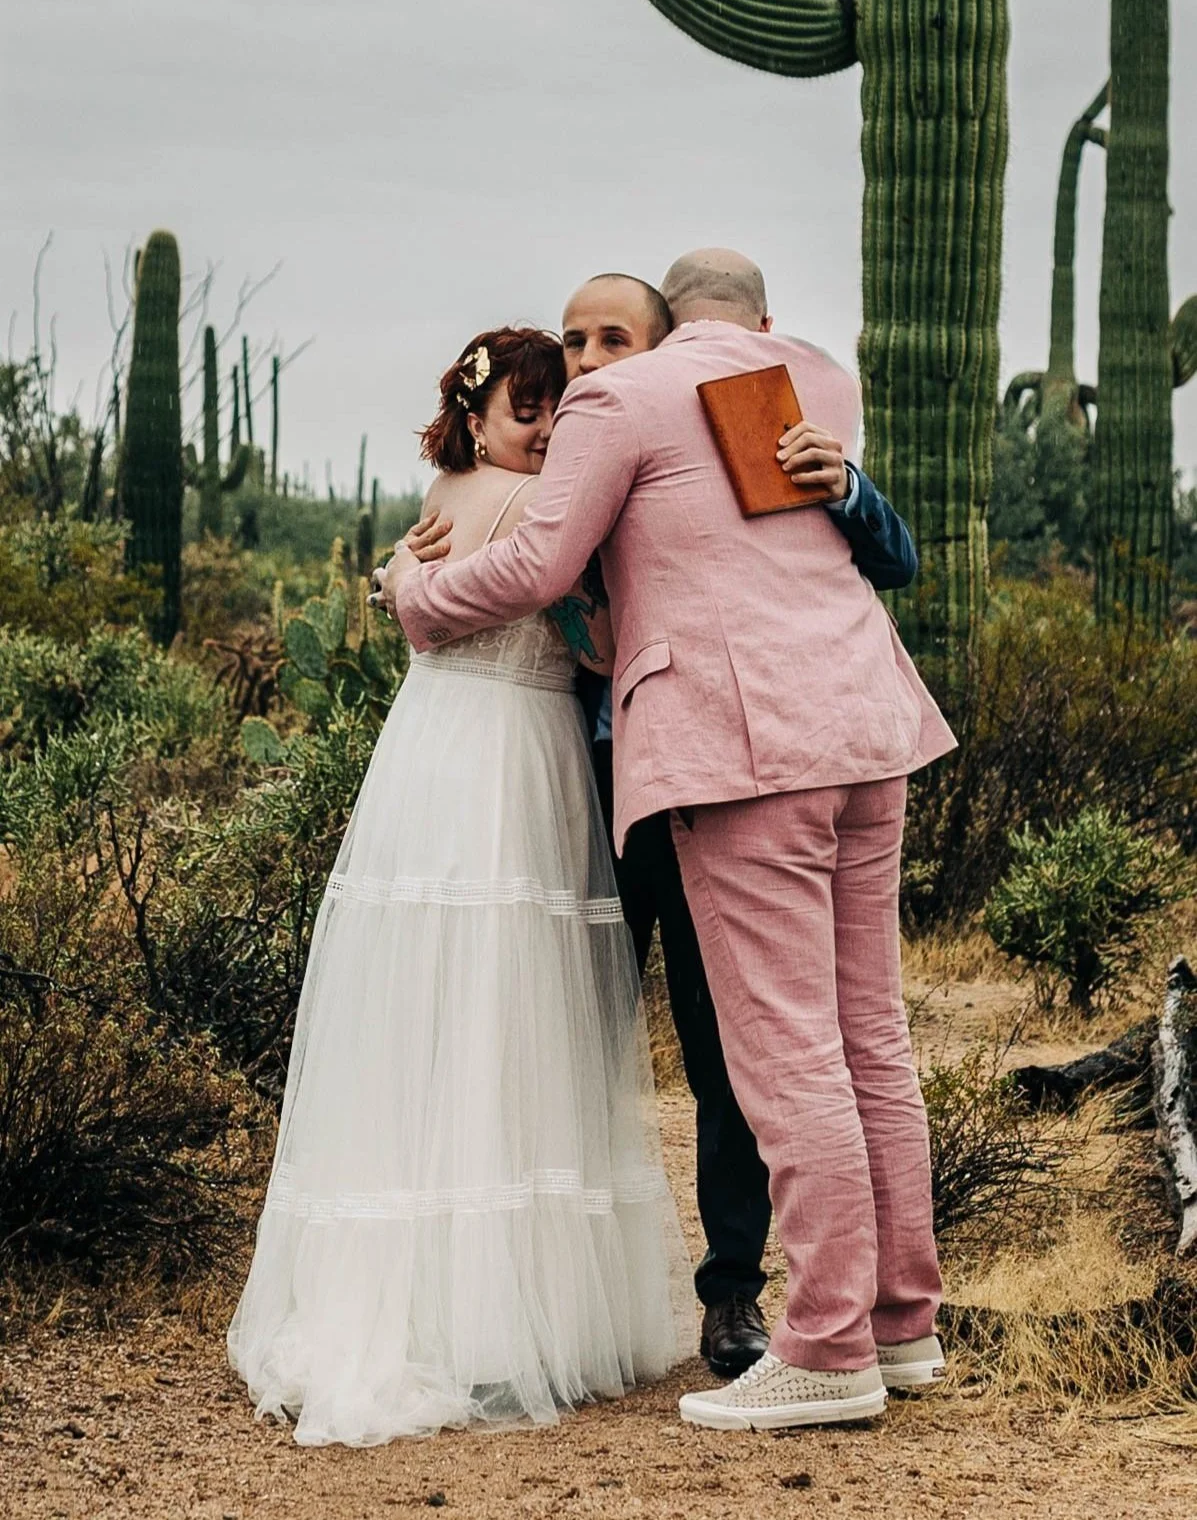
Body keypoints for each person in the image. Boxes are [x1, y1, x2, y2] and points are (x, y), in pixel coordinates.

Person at [382, 250, 957, 1432]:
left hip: (739, 754)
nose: (587, 364)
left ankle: (827, 1345)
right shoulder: (797, 382)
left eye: (609, 339)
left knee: (783, 1051)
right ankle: (903, 1326)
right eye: (575, 343)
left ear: (663, 331)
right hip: (863, 724)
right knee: (868, 1038)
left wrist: (413, 595)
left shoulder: (628, 403)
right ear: (754, 322)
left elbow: (541, 563)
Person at [228, 326, 691, 1447]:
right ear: (478, 417)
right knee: (507, 989)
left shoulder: (438, 498)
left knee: (442, 990)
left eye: (554, 411)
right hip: (504, 756)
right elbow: (586, 639)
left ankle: (448, 1290)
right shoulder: (533, 507)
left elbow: (430, 604)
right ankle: (492, 1313)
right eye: (526, 411)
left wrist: (399, 571)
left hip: (434, 747)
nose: (542, 431)